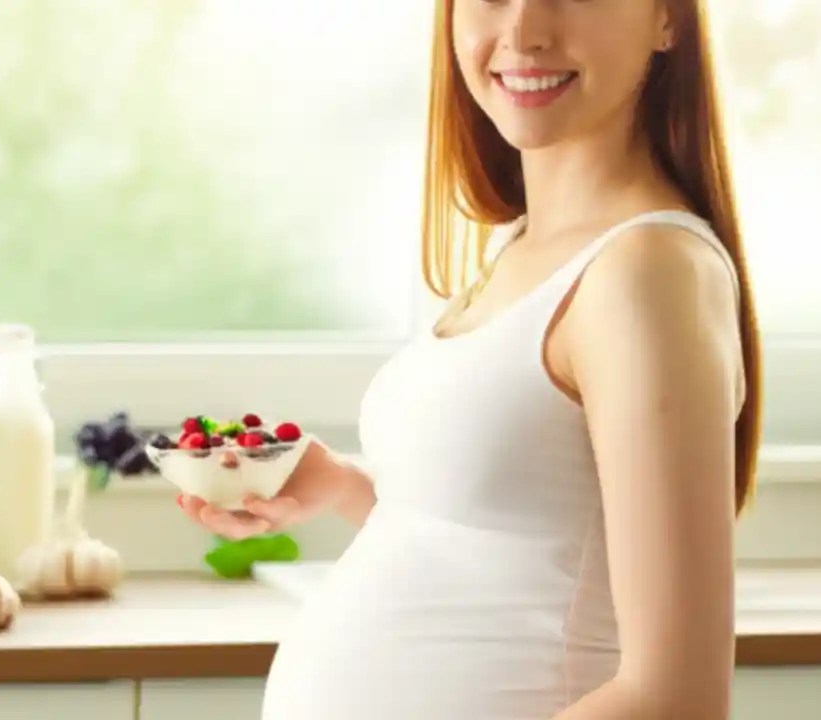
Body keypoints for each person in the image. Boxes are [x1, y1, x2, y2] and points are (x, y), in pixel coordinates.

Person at [177, 0, 761, 717]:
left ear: (667, 19)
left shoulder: (646, 271)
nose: (524, 31)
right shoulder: (520, 248)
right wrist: (344, 490)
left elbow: (676, 697)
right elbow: (505, 555)